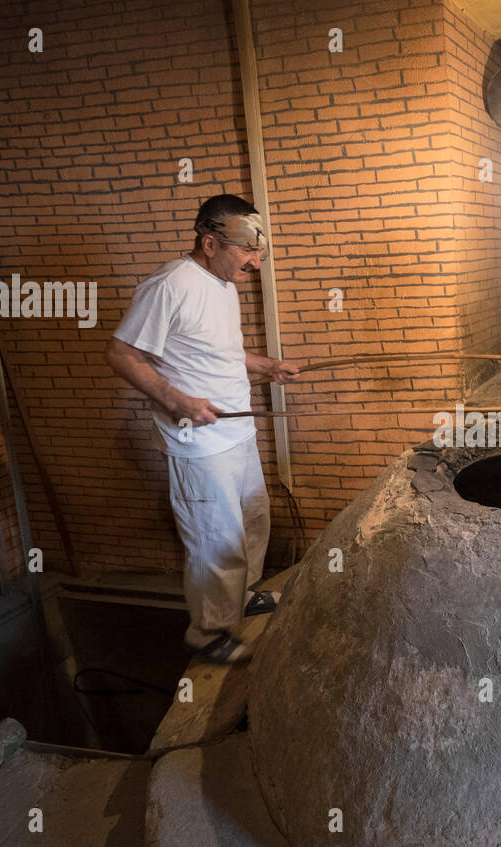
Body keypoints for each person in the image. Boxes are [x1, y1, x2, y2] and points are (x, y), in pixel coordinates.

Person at [106, 194, 299, 663]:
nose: (254, 262)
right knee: (216, 538)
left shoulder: (223, 282)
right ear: (209, 243)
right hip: (199, 443)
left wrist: (264, 364)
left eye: (259, 251)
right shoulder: (170, 285)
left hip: (237, 432)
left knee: (252, 522)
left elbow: (218, 351)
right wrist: (178, 401)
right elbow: (122, 354)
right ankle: (209, 632)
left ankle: (243, 596)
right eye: (247, 251)